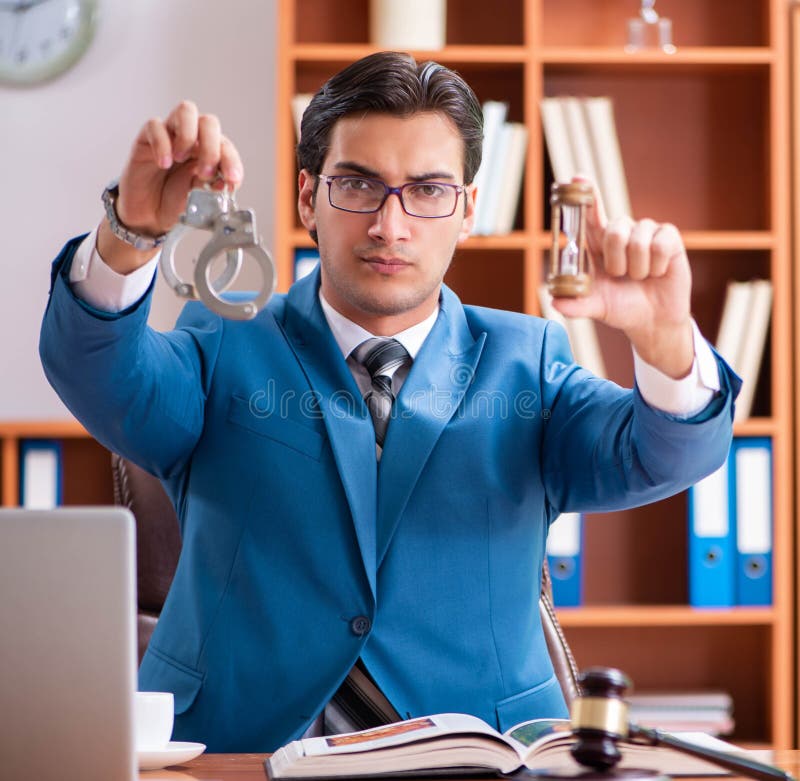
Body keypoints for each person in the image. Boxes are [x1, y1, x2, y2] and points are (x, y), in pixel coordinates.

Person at [39, 51, 739, 752]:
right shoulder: (223, 342)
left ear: (467, 210)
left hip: (484, 754)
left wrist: (666, 344)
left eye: (428, 190)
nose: (390, 225)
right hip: (244, 752)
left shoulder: (528, 362)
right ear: (308, 198)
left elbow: (663, 455)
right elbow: (100, 372)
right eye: (358, 185)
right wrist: (130, 235)